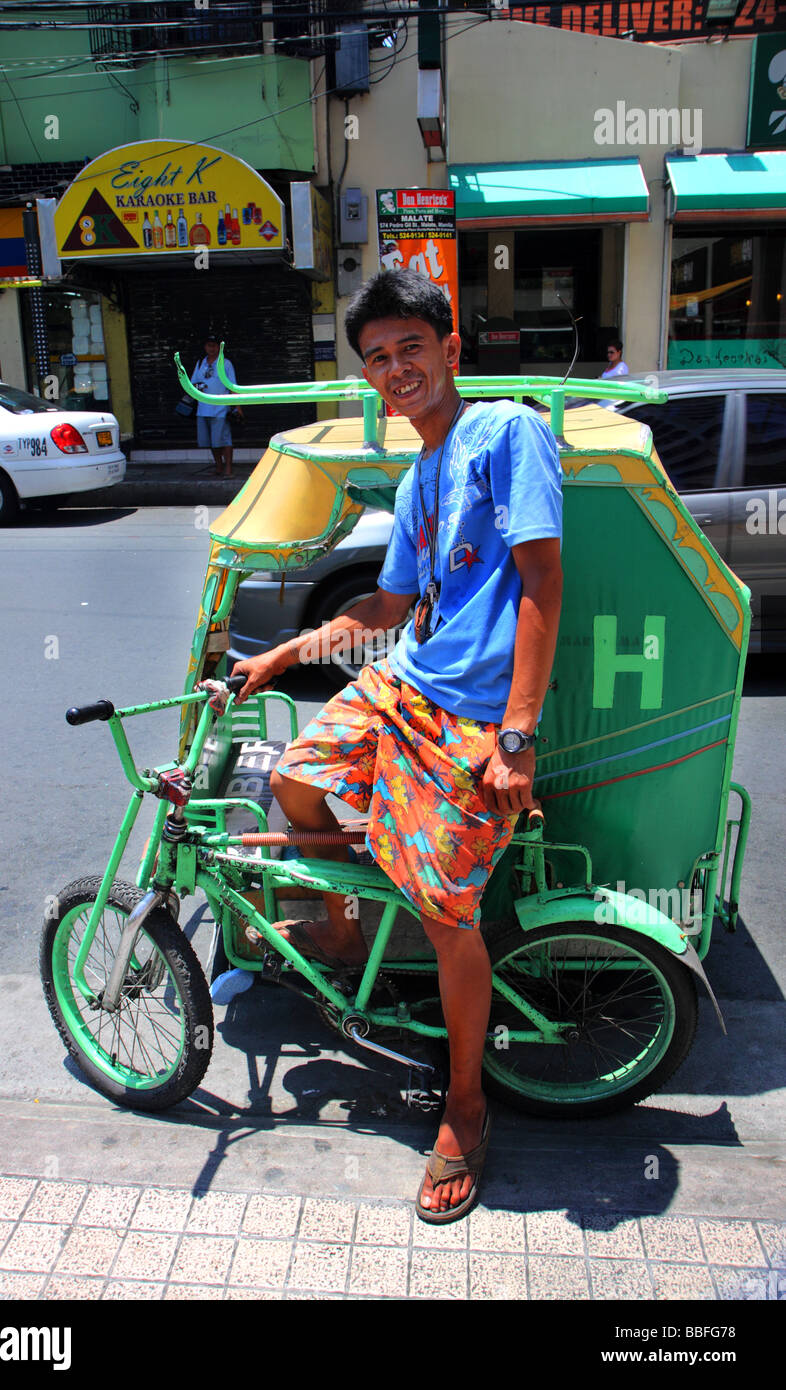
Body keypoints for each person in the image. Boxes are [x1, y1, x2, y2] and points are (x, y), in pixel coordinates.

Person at [216, 270, 563, 1224]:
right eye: (378, 357)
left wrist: (517, 739)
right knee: (293, 780)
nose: (396, 367)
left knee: (450, 912)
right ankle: (344, 931)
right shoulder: (418, 476)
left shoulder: (506, 432)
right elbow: (388, 607)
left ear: (451, 351)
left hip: (472, 717)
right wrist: (280, 654)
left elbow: (542, 585)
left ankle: (464, 1106)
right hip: (398, 684)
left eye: (412, 346)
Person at [191, 333, 243, 478]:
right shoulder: (201, 363)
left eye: (214, 346)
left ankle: (228, 469)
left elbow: (233, 386)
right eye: (209, 345)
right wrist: (198, 387)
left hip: (220, 408)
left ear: (219, 347)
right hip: (203, 409)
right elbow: (193, 383)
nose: (211, 348)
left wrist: (238, 407)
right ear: (205, 347)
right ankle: (218, 467)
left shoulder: (225, 363)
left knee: (224, 439)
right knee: (210, 441)